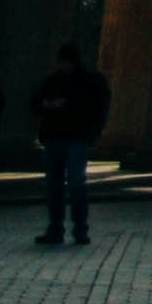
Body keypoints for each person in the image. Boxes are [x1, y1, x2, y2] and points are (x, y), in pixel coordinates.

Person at [30, 44, 110, 247]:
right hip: (61, 137)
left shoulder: (83, 82)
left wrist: (52, 106)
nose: (63, 66)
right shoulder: (60, 81)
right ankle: (64, 228)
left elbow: (98, 107)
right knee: (60, 185)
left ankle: (73, 228)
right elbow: (34, 104)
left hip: (71, 136)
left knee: (72, 184)